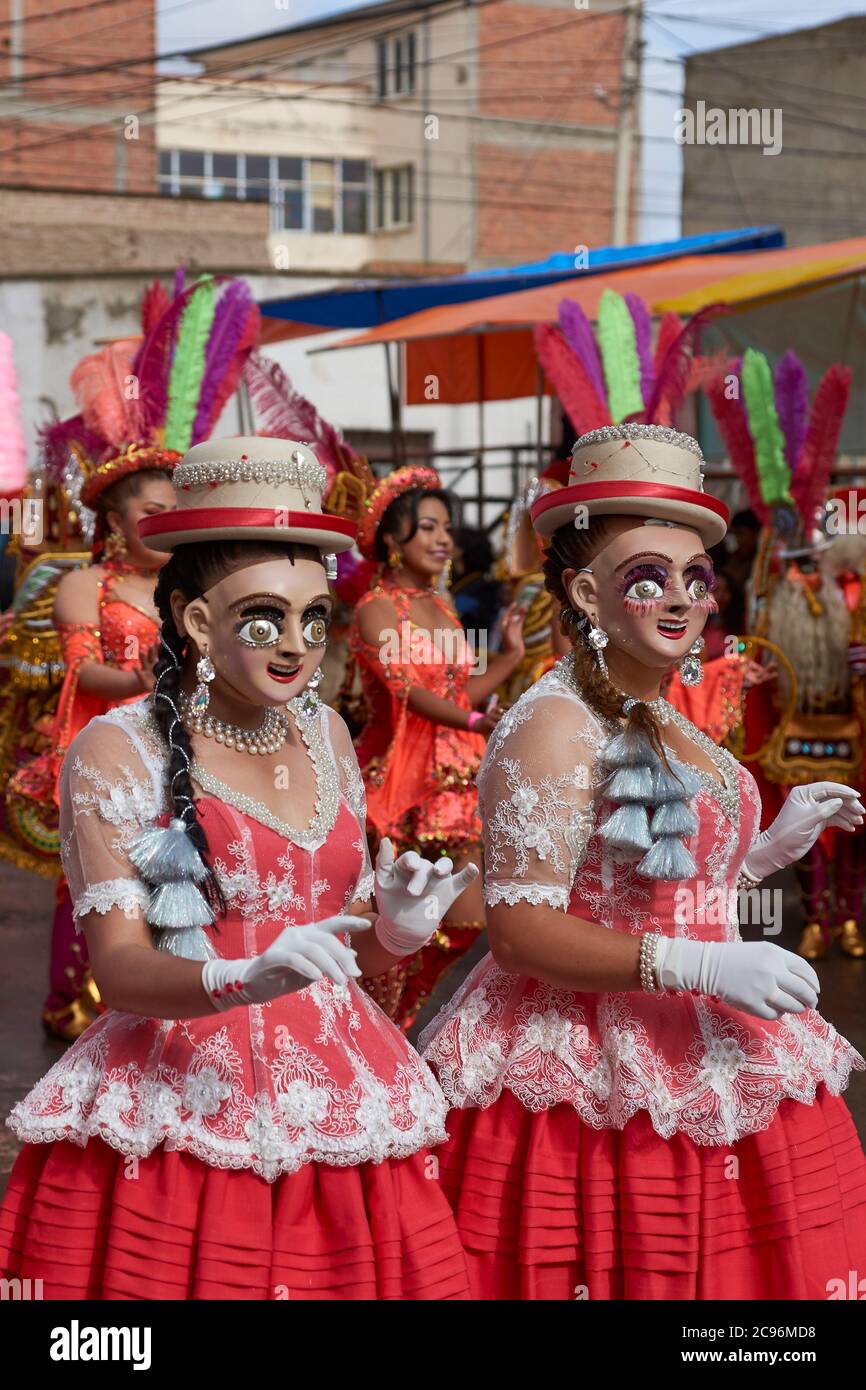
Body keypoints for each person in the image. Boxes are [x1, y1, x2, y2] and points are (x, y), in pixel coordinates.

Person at [0, 437, 479, 1300]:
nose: (296, 647)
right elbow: (119, 970)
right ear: (191, 621)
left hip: (342, 1096)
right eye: (265, 618)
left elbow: (348, 950)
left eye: (312, 619)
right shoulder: (116, 750)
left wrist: (398, 931)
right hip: (179, 1113)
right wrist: (238, 977)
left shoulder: (327, 733)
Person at [419, 423, 866, 1300]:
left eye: (696, 578)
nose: (682, 600)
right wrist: (695, 960)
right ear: (586, 593)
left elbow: (643, 879)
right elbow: (516, 931)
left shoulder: (662, 709)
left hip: (722, 1045)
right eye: (648, 578)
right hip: (587, 1072)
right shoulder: (553, 724)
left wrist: (760, 854)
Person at [332, 460, 525, 1029]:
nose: (445, 540)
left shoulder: (440, 606)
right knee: (383, 928)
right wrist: (476, 720)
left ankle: (394, 1024)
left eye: (448, 528)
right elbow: (411, 695)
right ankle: (368, 1032)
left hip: (455, 782)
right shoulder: (374, 610)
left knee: (463, 920)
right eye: (430, 528)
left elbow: (460, 689)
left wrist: (510, 657)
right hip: (395, 783)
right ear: (393, 538)